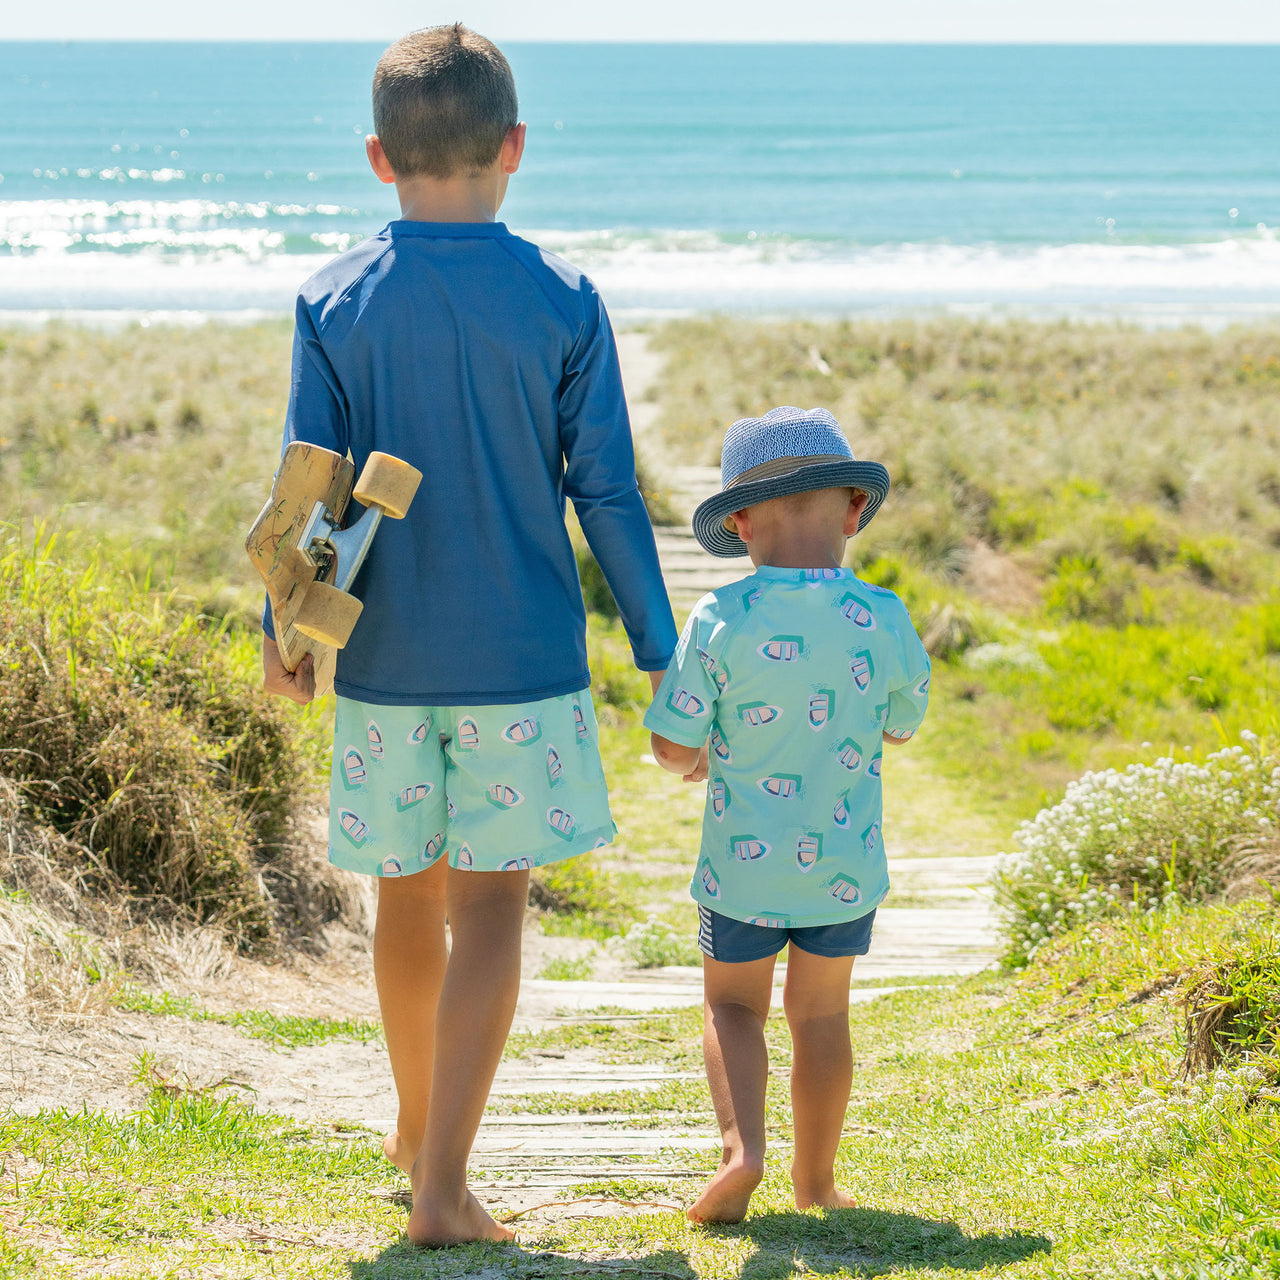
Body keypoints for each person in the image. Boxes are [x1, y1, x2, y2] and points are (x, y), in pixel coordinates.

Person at [259, 24, 676, 1246]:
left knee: (403, 900)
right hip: (521, 662)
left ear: (379, 157)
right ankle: (443, 1184)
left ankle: (414, 1130)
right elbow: (604, 490)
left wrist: (280, 631)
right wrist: (657, 641)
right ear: (515, 148)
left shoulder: (334, 297)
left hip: (382, 658)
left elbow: (306, 491)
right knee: (490, 909)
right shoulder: (560, 296)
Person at [644, 406, 930, 1224]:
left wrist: (695, 757)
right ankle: (816, 1182)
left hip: (742, 868)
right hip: (844, 868)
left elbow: (672, 743)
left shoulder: (720, 620)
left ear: (739, 523)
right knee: (823, 1017)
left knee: (732, 1006)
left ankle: (743, 1152)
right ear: (851, 511)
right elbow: (901, 725)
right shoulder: (886, 617)